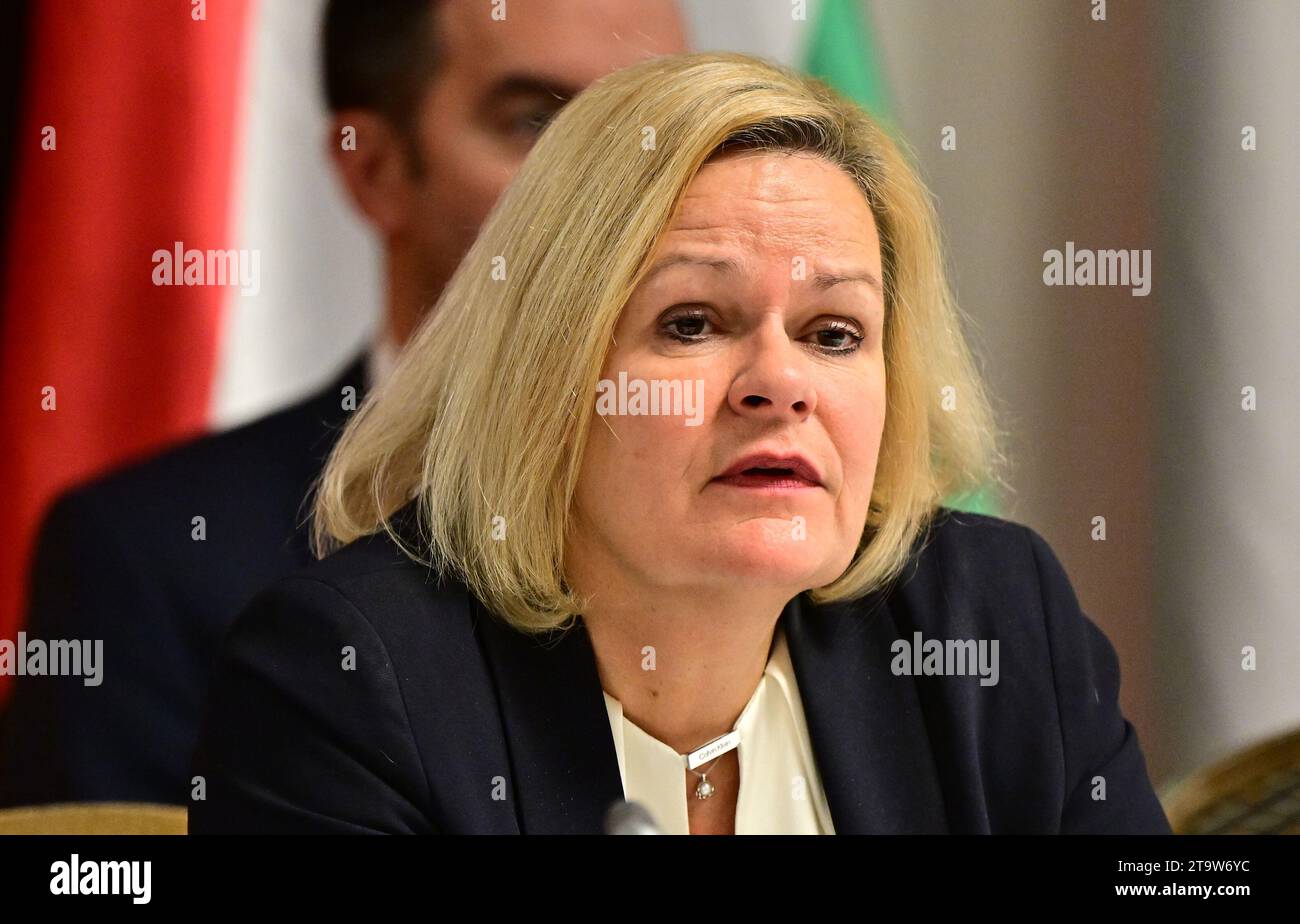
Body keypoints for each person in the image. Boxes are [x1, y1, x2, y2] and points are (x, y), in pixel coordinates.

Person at [188, 51, 1172, 834]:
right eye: (692, 322)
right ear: (548, 376)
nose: (778, 384)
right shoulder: (352, 678)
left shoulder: (987, 623)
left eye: (833, 334)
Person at [0, 0, 686, 807]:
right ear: (377, 171)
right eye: (537, 122)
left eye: (654, 128)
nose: (620, 184)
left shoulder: (809, 522)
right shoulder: (153, 559)